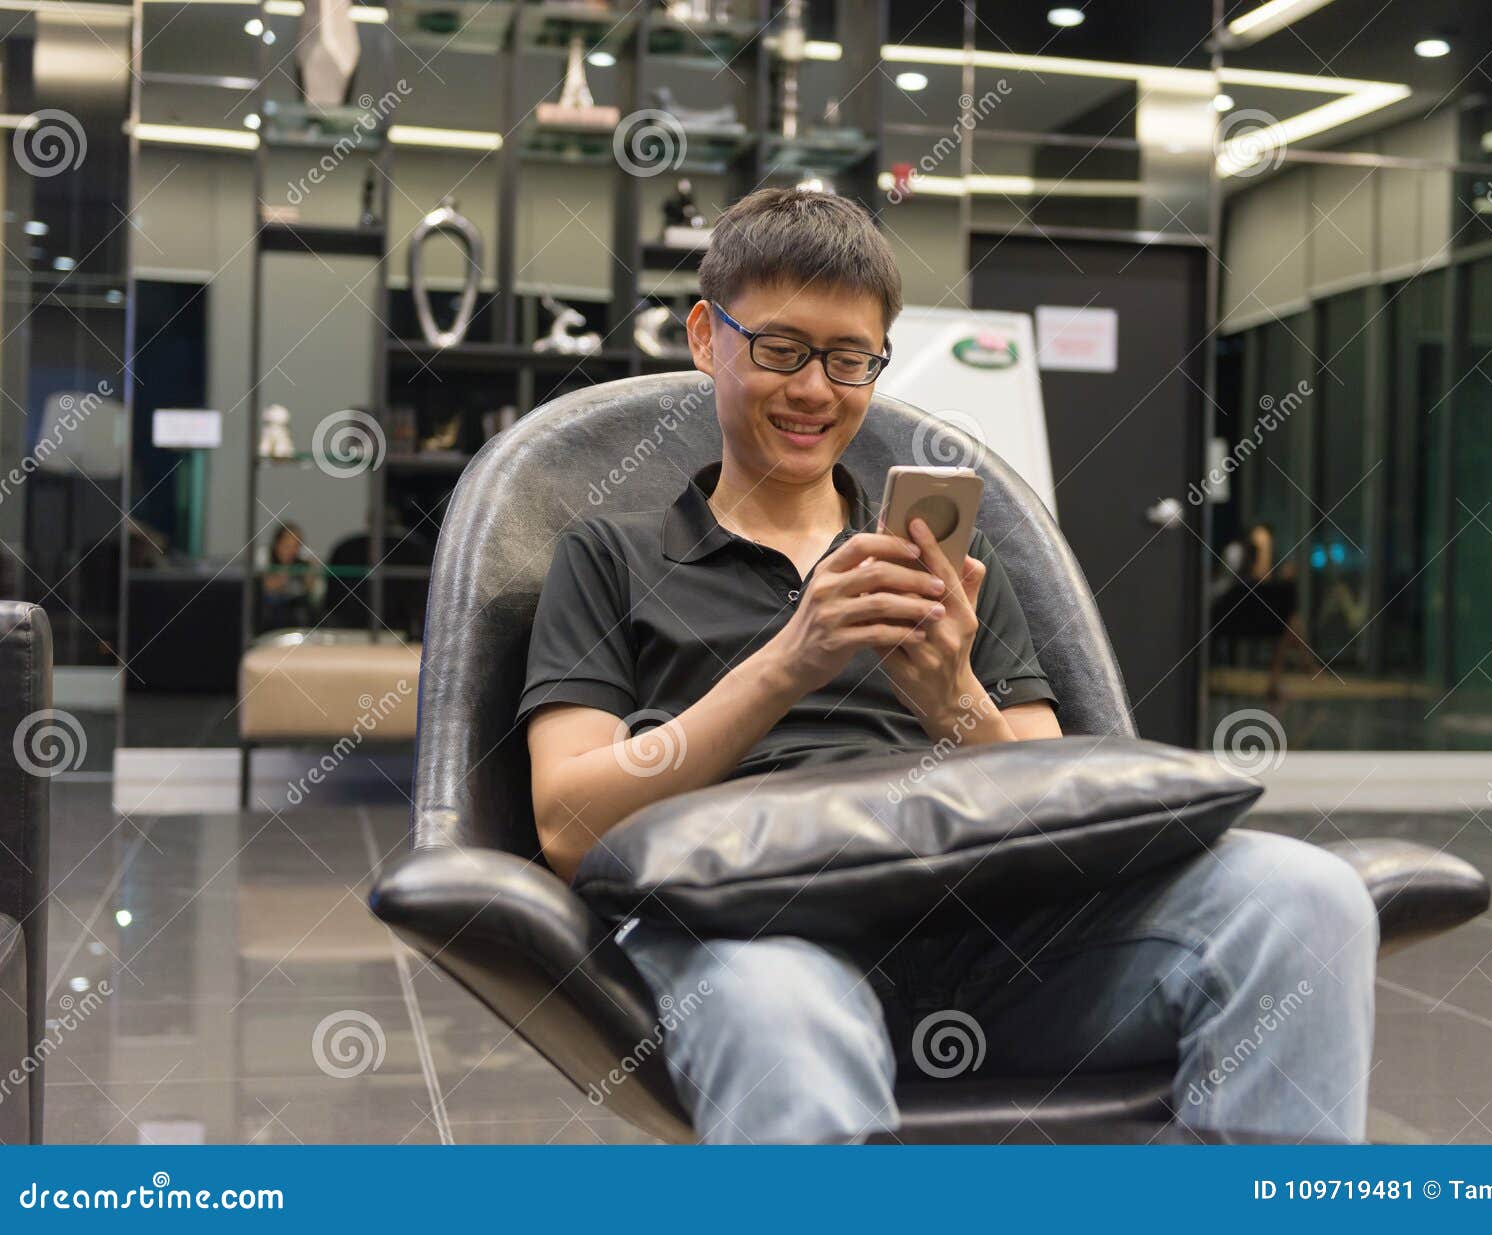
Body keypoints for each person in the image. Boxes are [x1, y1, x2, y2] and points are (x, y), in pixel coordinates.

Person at [519, 188, 1377, 1145]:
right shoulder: (611, 555)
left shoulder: (947, 566)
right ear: (706, 338)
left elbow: (1055, 806)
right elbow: (567, 822)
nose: (815, 390)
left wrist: (953, 700)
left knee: (1307, 896)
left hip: (990, 938)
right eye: (781, 349)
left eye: (850, 360)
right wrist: (788, 663)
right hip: (759, 925)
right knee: (782, 1022)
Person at [1210, 522, 1315, 703]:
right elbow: (1231, 587)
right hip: (1226, 613)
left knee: (1288, 620)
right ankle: (1305, 664)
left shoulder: (1264, 579)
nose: (1264, 546)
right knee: (1290, 621)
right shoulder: (1236, 555)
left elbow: (1259, 580)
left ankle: (1301, 666)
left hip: (1247, 616)